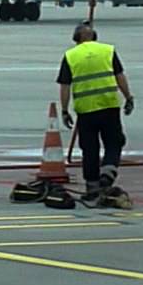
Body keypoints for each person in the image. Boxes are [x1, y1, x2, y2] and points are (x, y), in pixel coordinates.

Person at [58, 22, 134, 205]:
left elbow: (65, 86)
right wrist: (128, 97)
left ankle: (92, 186)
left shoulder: (71, 55)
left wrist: (65, 110)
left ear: (76, 39)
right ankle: (108, 174)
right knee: (114, 142)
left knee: (89, 149)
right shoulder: (108, 51)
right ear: (95, 36)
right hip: (109, 105)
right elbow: (120, 76)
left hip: (86, 110)